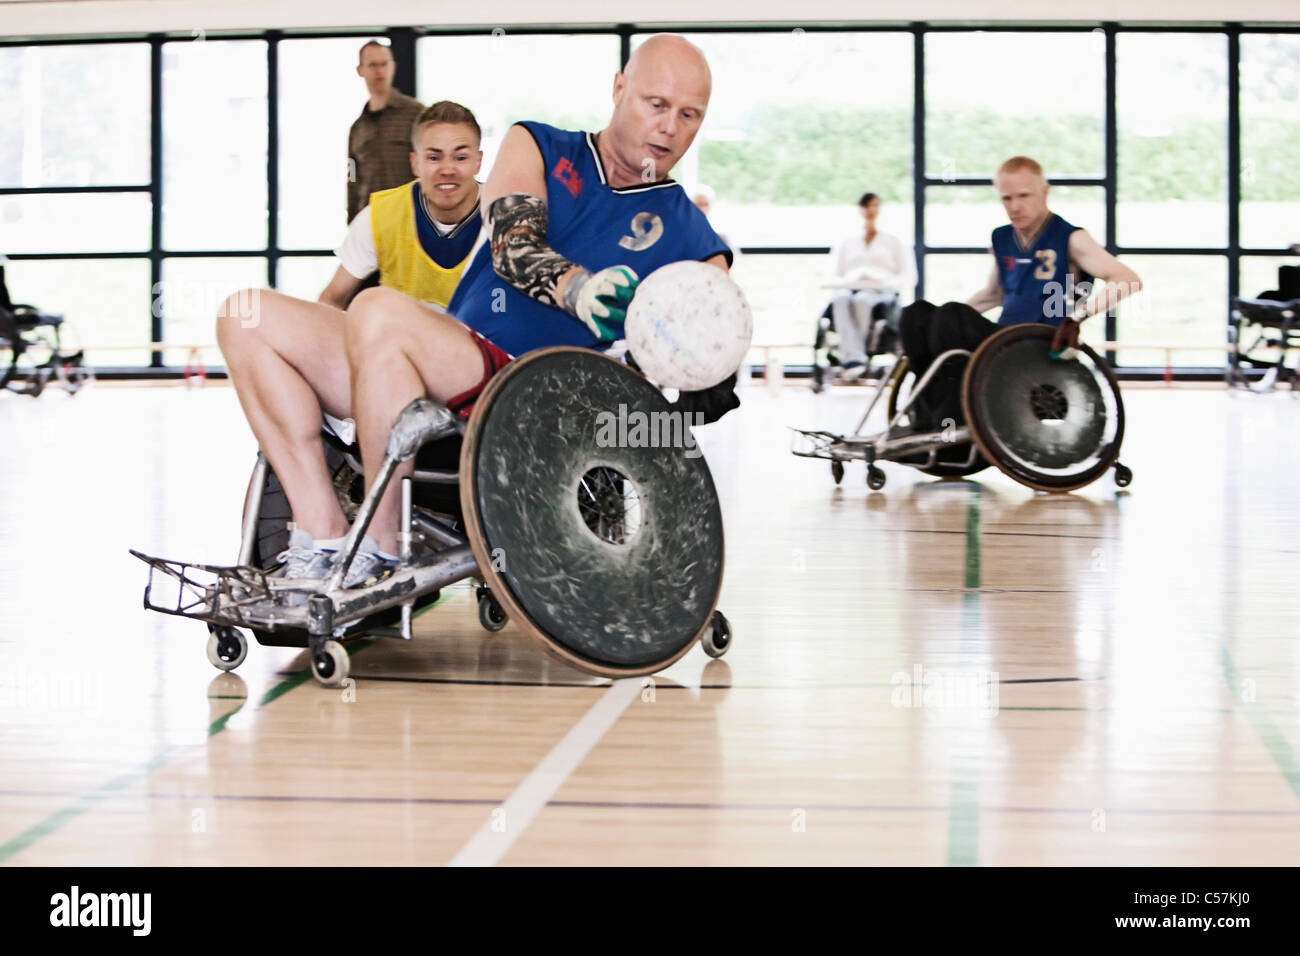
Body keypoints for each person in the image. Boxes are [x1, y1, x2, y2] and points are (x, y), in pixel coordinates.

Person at [333, 33, 735, 582]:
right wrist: (581, 291)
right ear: (619, 90)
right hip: (449, 368)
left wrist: (684, 369)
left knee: (377, 311)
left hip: (550, 416)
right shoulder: (539, 144)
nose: (670, 126)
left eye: (690, 114)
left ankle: (375, 548)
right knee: (271, 323)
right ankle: (330, 540)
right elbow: (513, 247)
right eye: (656, 104)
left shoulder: (694, 238)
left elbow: (709, 361)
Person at [216, 101, 484, 584]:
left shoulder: (509, 216)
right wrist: (318, 375)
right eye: (434, 156)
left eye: (460, 156)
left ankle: (376, 539)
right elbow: (332, 300)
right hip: (381, 366)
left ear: (480, 161)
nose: (447, 169)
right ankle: (322, 532)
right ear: (414, 162)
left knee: (378, 307)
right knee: (242, 315)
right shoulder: (381, 216)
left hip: (459, 381)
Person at [900, 155, 1142, 429]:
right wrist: (935, 322)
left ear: (1044, 192)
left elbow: (1127, 279)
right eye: (1007, 198)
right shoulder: (1002, 238)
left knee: (950, 315)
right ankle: (925, 410)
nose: (1015, 207)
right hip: (1000, 339)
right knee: (916, 314)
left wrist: (1077, 317)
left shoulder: (1071, 238)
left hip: (1037, 343)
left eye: (1023, 196)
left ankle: (954, 417)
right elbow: (993, 294)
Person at [826, 191, 915, 381]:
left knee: (863, 300)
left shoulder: (893, 240)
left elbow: (907, 275)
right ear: (860, 209)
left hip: (881, 291)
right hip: (850, 287)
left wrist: (886, 282)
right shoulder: (847, 241)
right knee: (840, 299)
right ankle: (855, 360)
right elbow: (835, 273)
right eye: (867, 206)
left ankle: (854, 359)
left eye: (875, 205)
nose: (871, 210)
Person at [347, 40, 425, 224]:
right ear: (360, 70)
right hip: (370, 221)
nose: (379, 71)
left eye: (384, 64)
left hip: (409, 218)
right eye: (372, 65)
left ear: (393, 67)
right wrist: (352, 223)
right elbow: (352, 179)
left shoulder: (417, 114)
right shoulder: (358, 128)